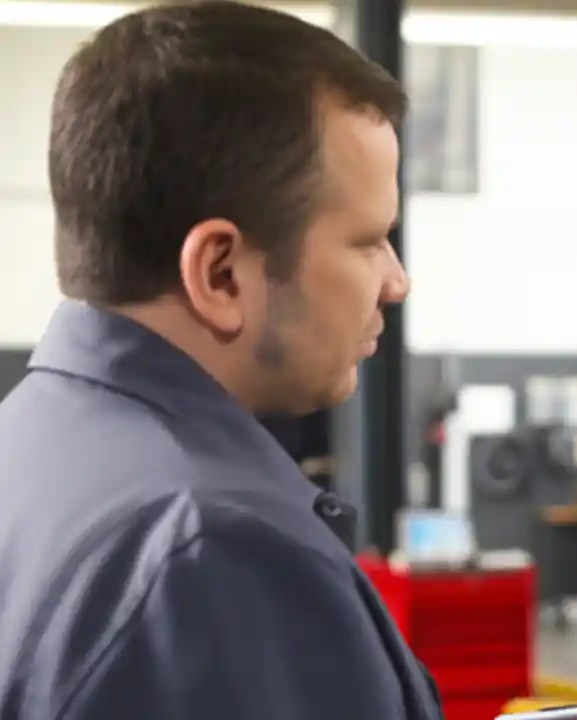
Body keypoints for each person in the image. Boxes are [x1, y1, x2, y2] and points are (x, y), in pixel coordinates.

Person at [0, 3, 440, 719]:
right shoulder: (212, 554)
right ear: (221, 274)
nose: (396, 281)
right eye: (368, 240)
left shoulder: (28, 450)